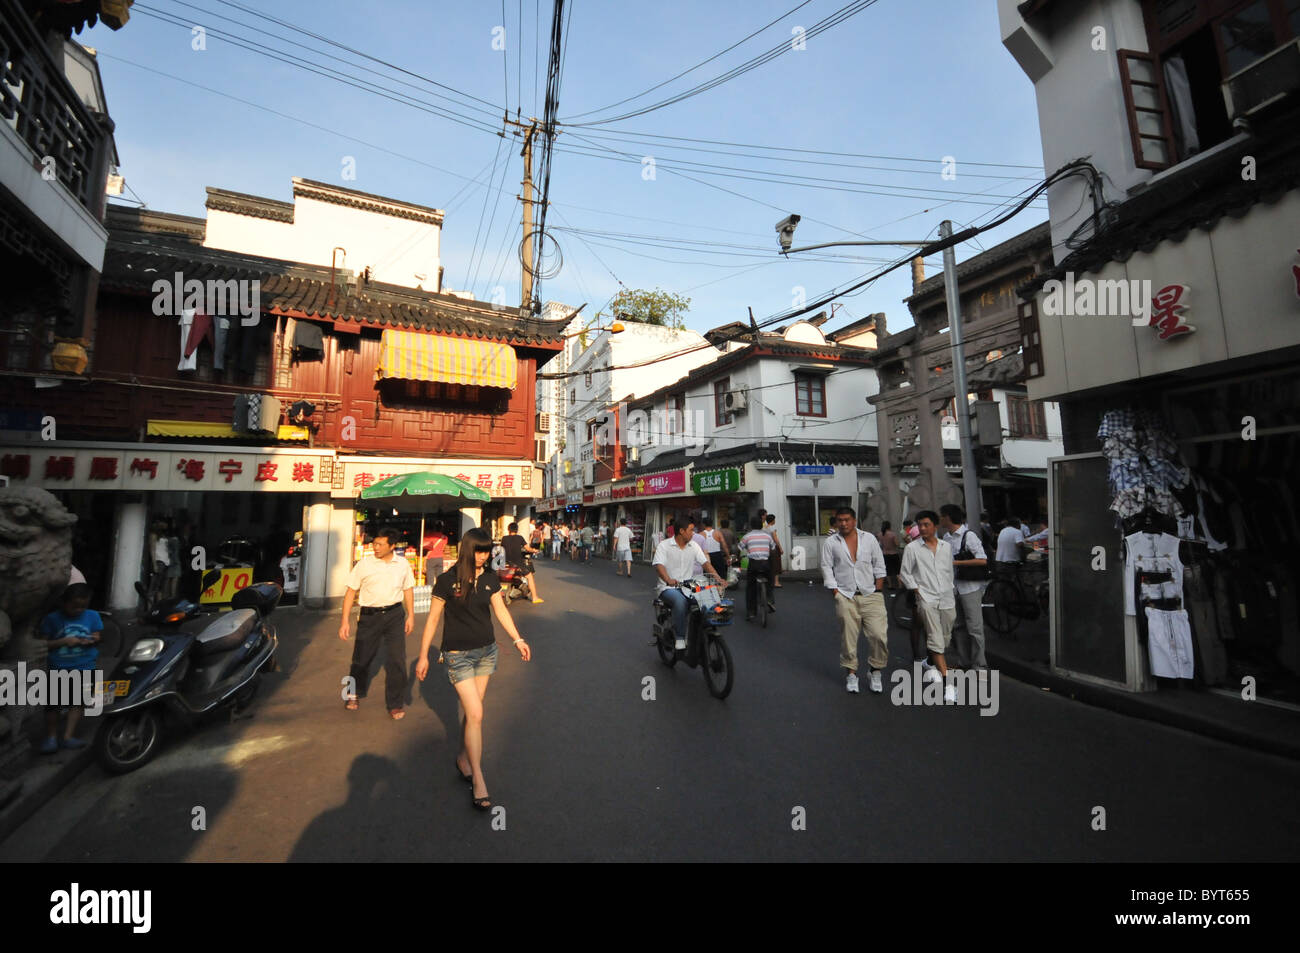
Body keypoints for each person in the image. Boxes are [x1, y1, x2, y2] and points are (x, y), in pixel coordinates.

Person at [415, 527, 531, 812]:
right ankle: (478, 778)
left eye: (486, 551)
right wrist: (423, 656)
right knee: (477, 713)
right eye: (478, 551)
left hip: (486, 653)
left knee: (473, 713)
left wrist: (517, 639)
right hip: (457, 656)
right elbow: (432, 620)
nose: (483, 557)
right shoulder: (446, 581)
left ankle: (463, 759)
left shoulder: (490, 579)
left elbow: (500, 610)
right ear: (467, 549)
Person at [338, 526, 416, 720]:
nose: (376, 547)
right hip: (369, 616)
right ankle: (352, 693)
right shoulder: (364, 564)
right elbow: (350, 592)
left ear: (392, 546)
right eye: (374, 544)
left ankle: (395, 704)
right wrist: (344, 621)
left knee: (397, 661)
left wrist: (411, 615)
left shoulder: (402, 564)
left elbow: (408, 590)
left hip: (394, 615)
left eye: (380, 544)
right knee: (361, 659)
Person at [821, 507, 888, 693]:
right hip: (846, 596)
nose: (843, 523)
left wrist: (878, 588)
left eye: (847, 519)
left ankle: (875, 670)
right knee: (849, 638)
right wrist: (836, 592)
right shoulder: (831, 542)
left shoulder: (869, 539)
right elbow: (826, 567)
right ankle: (851, 674)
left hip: (870, 594)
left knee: (878, 636)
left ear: (854, 520)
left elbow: (879, 564)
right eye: (840, 520)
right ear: (836, 522)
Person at [899, 510, 959, 703]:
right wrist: (917, 590)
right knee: (934, 636)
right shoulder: (912, 548)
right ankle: (948, 684)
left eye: (926, 524)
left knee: (946, 636)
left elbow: (949, 570)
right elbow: (905, 573)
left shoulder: (946, 547)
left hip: (947, 597)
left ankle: (930, 661)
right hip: (926, 598)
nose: (922, 528)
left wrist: (951, 588)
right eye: (920, 525)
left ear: (935, 526)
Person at [36, 583, 102, 752]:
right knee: (53, 704)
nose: (79, 610)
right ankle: (51, 737)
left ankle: (68, 736)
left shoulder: (93, 616)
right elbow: (43, 644)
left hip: (85, 666)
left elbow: (98, 635)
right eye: (74, 606)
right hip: (59, 667)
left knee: (78, 703)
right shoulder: (52, 619)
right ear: (64, 602)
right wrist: (63, 642)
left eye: (83, 606)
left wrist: (93, 639)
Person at [653, 515, 726, 649]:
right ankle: (680, 637)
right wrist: (668, 579)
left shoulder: (694, 546)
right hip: (668, 588)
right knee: (681, 601)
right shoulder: (664, 546)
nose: (693, 533)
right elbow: (659, 566)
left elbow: (705, 563)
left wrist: (718, 578)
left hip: (689, 585)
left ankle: (706, 630)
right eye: (691, 530)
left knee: (710, 597)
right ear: (681, 531)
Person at [939, 503, 989, 677]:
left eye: (942, 516)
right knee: (958, 626)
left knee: (975, 627)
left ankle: (980, 665)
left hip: (970, 588)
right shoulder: (946, 537)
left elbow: (982, 560)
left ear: (948, 517)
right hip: (954, 588)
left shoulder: (969, 536)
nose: (940, 519)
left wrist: (956, 563)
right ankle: (963, 661)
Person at [737, 516, 775, 622]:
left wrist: (741, 555)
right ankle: (770, 600)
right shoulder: (767, 536)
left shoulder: (747, 536)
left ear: (751, 525)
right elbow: (773, 548)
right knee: (770, 581)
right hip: (766, 564)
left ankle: (751, 612)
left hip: (753, 565)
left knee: (750, 587)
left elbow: (739, 548)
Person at [501, 522, 544, 604]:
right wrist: (534, 550)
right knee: (530, 576)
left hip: (506, 563)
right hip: (517, 563)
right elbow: (528, 549)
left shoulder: (504, 538)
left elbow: (502, 548)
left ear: (508, 529)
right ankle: (535, 597)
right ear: (517, 530)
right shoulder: (519, 538)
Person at [763, 514, 785, 588]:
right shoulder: (772, 528)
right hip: (773, 549)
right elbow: (775, 539)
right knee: (776, 565)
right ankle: (776, 582)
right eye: (774, 520)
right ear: (772, 521)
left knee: (769, 565)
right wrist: (780, 548)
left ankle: (769, 582)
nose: (775, 521)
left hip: (766, 548)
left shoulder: (764, 528)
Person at [879, 521, 901, 590]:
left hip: (885, 555)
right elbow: (897, 544)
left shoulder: (880, 534)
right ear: (889, 526)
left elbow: (880, 545)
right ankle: (900, 585)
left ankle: (890, 585)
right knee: (897, 571)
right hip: (893, 554)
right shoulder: (892, 534)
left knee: (887, 571)